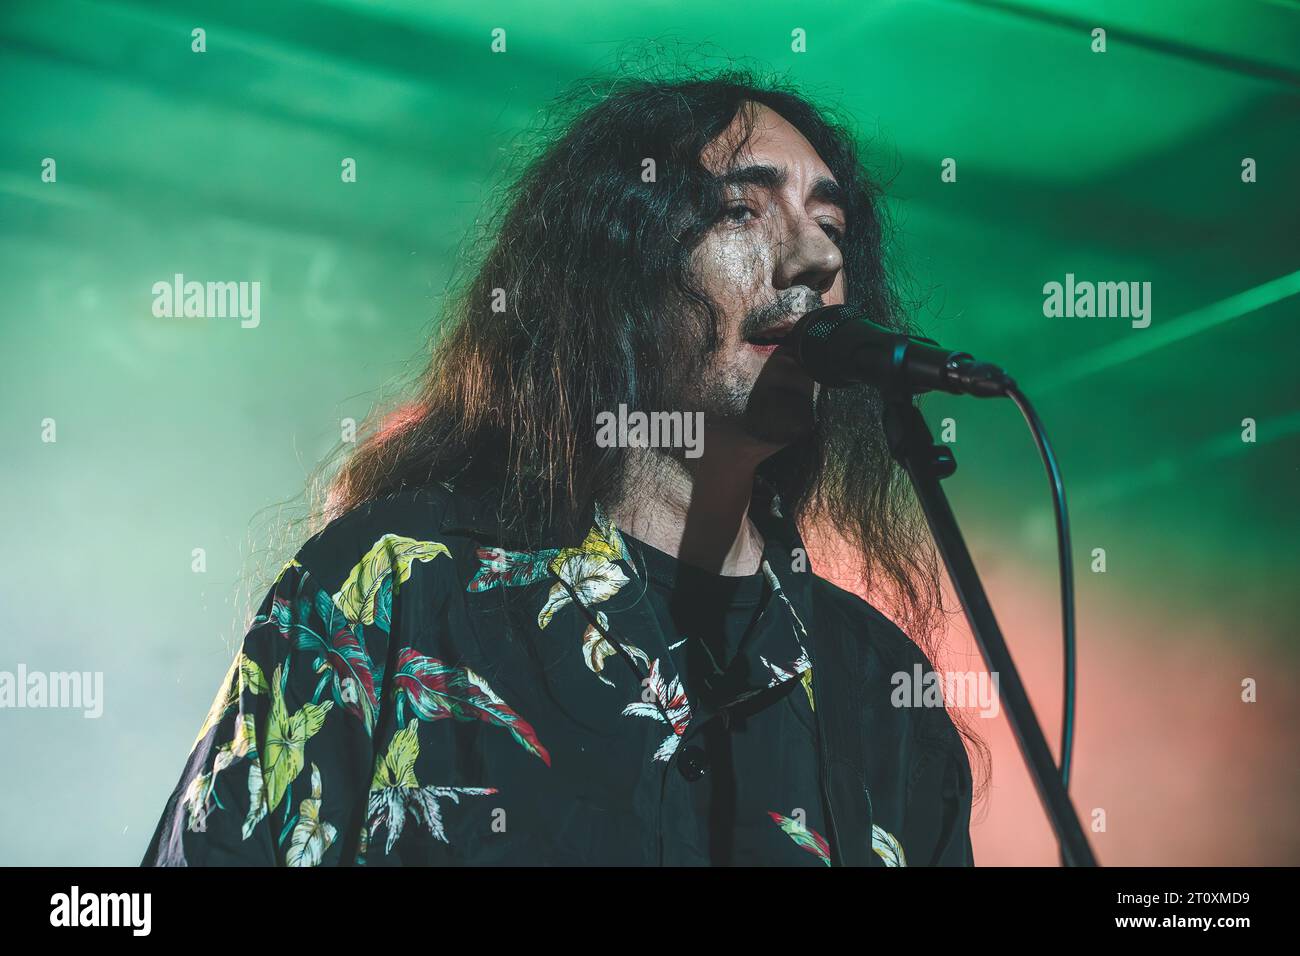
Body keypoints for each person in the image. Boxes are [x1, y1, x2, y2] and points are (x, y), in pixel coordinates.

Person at [142, 71, 983, 867]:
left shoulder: (876, 683)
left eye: (831, 226)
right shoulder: (401, 586)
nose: (815, 260)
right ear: (616, 273)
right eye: (741, 212)